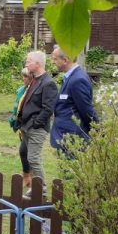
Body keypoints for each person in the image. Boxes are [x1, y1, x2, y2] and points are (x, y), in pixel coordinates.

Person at [16, 50, 58, 185]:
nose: (26, 64)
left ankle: (41, 190)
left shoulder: (48, 83)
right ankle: (36, 189)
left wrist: (35, 123)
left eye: (29, 61)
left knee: (33, 158)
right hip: (27, 126)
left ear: (38, 63)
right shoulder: (34, 80)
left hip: (36, 128)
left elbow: (48, 109)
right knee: (28, 157)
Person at [50, 45, 98, 154]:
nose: (53, 62)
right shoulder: (70, 77)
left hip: (72, 138)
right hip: (64, 137)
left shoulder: (78, 80)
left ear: (65, 60)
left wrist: (98, 131)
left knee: (70, 170)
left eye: (55, 59)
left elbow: (86, 111)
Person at [9, 67, 33, 187]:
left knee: (25, 151)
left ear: (31, 78)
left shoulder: (33, 91)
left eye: (26, 76)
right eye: (22, 76)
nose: (23, 79)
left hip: (30, 126)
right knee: (25, 151)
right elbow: (17, 107)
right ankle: (28, 177)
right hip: (21, 125)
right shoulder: (22, 90)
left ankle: (28, 177)